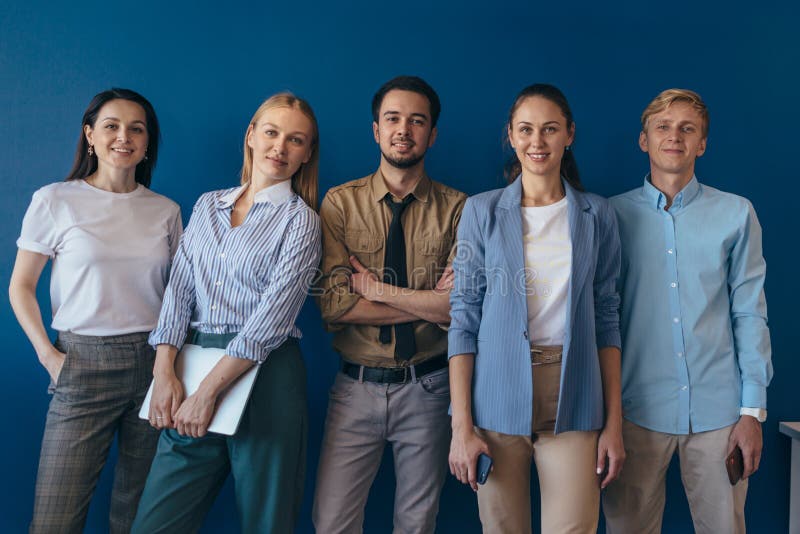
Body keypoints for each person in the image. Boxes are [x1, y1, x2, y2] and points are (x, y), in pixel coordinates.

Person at [130, 93, 321, 534]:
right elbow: (179, 291)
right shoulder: (207, 205)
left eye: (295, 140)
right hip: (191, 363)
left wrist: (208, 394)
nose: (280, 147)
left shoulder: (301, 222)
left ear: (307, 154)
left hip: (267, 376)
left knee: (266, 523)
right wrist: (164, 372)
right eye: (271, 132)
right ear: (251, 135)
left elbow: (271, 321)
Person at [448, 83, 625, 533]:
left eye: (550, 129)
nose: (537, 141)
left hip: (576, 393)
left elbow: (607, 320)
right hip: (495, 397)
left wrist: (614, 424)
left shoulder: (598, 215)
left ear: (569, 134)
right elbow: (463, 319)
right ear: (510, 135)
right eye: (526, 129)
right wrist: (461, 426)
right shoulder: (481, 212)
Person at [9, 88, 182, 533]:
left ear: (147, 142)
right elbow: (20, 287)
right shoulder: (55, 200)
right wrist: (49, 357)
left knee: (139, 518)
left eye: (136, 129)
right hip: (80, 363)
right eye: (111, 126)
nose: (124, 137)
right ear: (90, 135)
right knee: (54, 520)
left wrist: (168, 369)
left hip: (153, 364)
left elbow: (179, 296)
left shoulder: (165, 211)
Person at [602, 89, 773, 534]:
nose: (674, 136)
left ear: (702, 143)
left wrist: (752, 412)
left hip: (720, 415)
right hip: (634, 413)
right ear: (644, 140)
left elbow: (749, 314)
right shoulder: (610, 216)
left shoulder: (736, 214)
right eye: (663, 127)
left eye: (687, 128)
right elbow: (602, 319)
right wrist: (607, 418)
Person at [313, 75, 467, 533]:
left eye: (417, 121)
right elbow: (335, 306)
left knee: (417, 524)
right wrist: (429, 302)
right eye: (393, 119)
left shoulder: (459, 209)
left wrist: (378, 291)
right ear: (376, 130)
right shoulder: (340, 204)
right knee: (332, 522)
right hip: (355, 389)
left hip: (429, 388)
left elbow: (459, 310)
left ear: (432, 134)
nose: (404, 129)